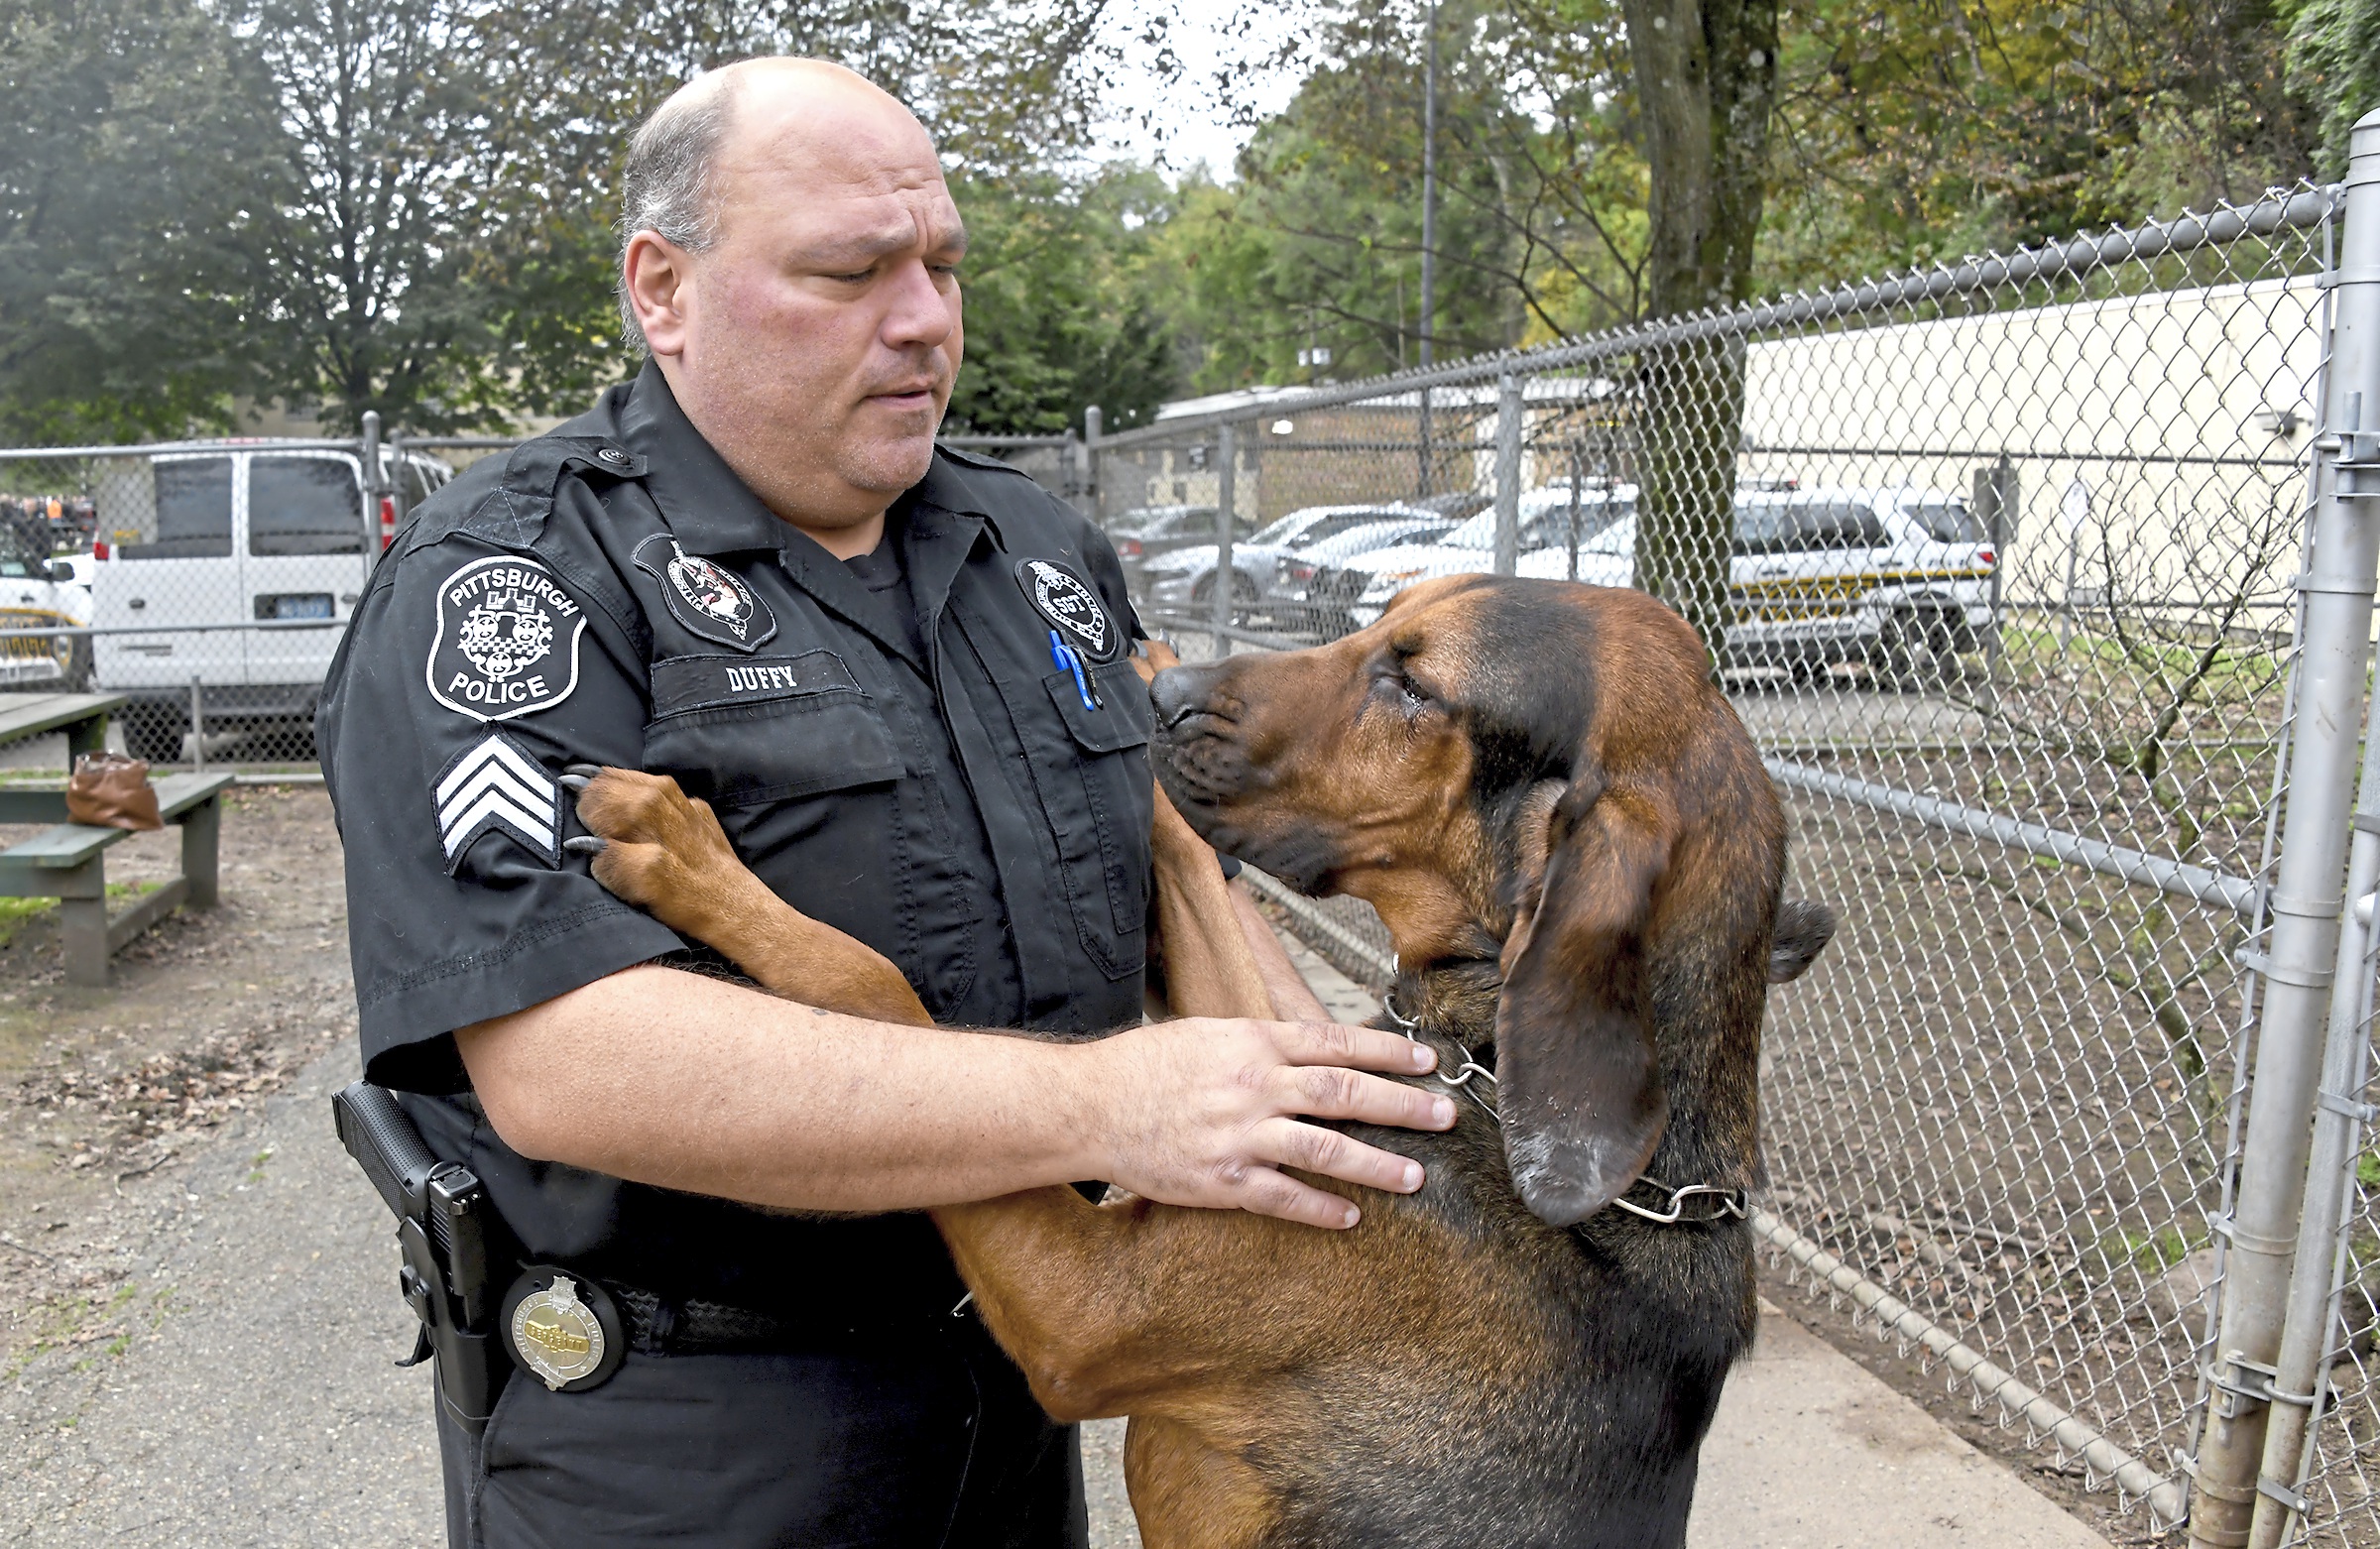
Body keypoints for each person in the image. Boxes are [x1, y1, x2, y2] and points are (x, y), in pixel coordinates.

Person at [315, 56, 1454, 1549]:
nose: (923, 319)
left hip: (1029, 1388)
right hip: (696, 1446)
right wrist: (1106, 1106)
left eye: (941, 266)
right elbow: (567, 1059)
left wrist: (1307, 1110)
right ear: (664, 290)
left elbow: (1181, 897)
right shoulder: (516, 578)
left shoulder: (1037, 551)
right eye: (850, 272)